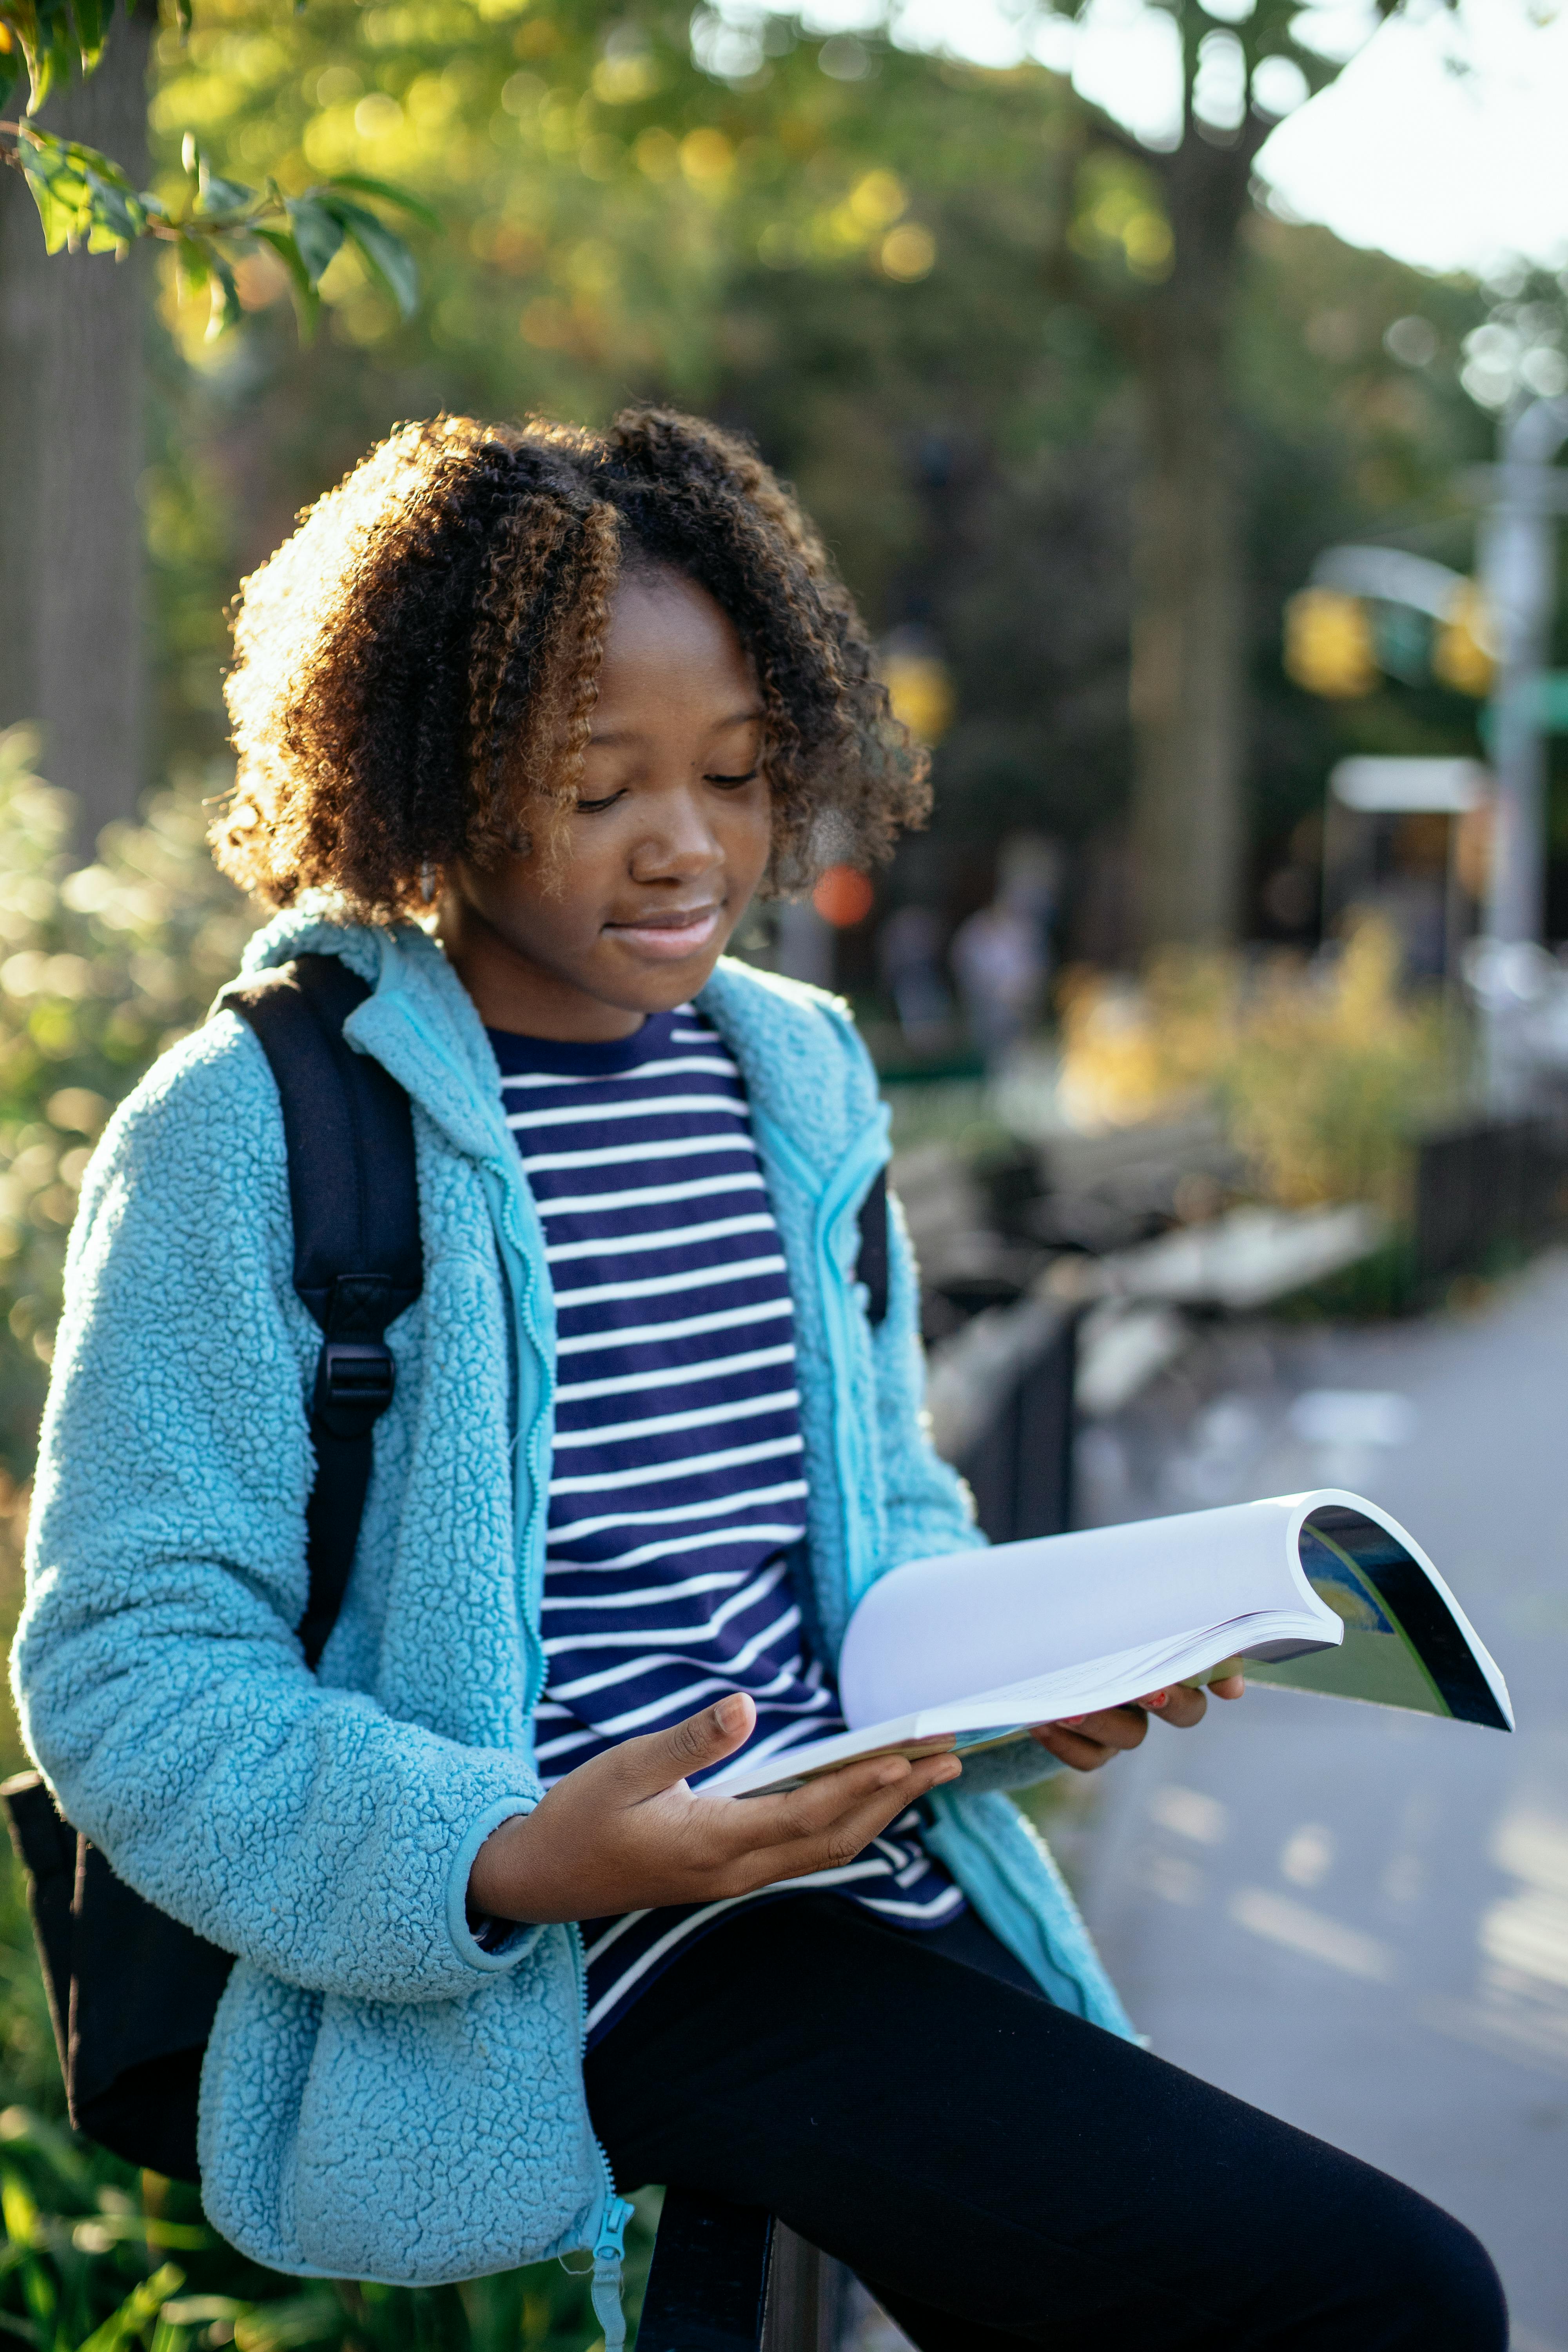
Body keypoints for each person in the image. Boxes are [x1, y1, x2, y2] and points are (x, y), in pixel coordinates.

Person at [13, 413, 1505, 2347]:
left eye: (733, 774)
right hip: (591, 1952)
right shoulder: (253, 1122)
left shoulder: (795, 1072)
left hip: (864, 1867)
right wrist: (514, 1852)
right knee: (1388, 2296)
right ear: (425, 773)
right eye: (594, 784)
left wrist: (1021, 1685)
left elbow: (876, 1508)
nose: (689, 848)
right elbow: (125, 1659)